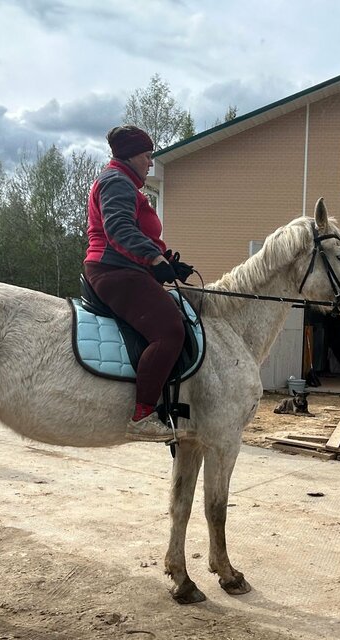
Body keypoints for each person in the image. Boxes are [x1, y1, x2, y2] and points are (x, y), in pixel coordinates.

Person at [84, 125, 194, 442]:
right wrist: (153, 259)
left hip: (126, 268)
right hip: (113, 270)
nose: (150, 163)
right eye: (147, 156)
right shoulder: (116, 181)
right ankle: (142, 415)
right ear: (131, 156)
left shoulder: (126, 184)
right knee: (171, 331)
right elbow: (118, 229)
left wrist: (165, 259)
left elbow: (136, 232)